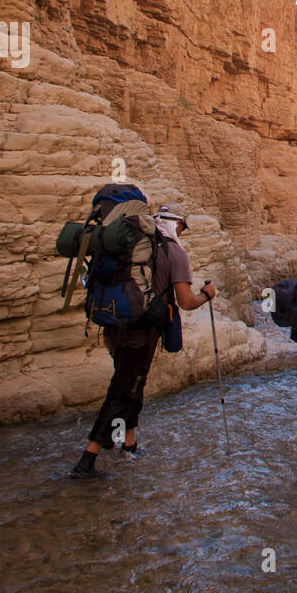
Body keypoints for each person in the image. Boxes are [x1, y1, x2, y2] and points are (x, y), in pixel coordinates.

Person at [69, 205, 217, 479]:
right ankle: (86, 460)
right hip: (141, 332)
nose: (182, 232)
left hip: (114, 325)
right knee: (124, 390)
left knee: (132, 385)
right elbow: (185, 301)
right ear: (175, 225)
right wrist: (207, 295)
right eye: (182, 227)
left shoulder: (134, 248)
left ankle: (128, 444)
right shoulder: (174, 251)